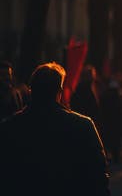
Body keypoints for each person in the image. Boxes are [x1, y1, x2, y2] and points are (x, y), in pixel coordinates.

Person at [0, 63, 109, 196]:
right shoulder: (83, 125)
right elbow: (98, 175)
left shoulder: (9, 127)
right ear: (59, 92)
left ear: (31, 90)